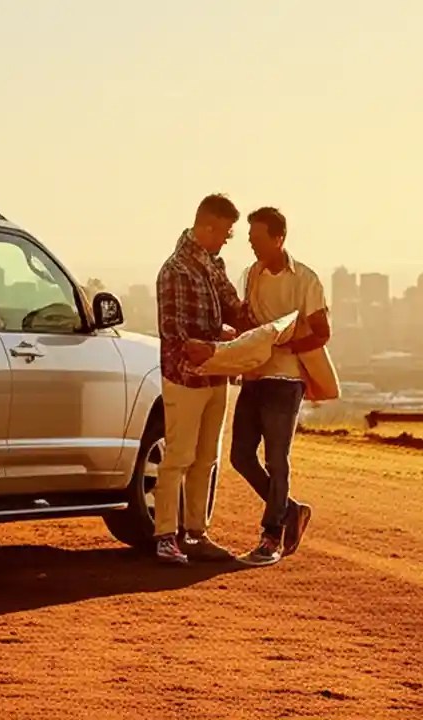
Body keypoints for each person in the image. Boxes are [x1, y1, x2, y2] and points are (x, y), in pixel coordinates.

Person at [190, 206, 331, 567]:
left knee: (276, 459)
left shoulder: (306, 280)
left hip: (285, 380)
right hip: (254, 375)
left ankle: (271, 536)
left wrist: (283, 345)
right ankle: (290, 510)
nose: (251, 244)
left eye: (257, 238)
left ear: (278, 238)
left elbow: (322, 332)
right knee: (240, 456)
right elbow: (248, 321)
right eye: (250, 238)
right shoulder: (252, 274)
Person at [153, 193, 257, 565]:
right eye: (226, 233)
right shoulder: (175, 270)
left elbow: (235, 309)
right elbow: (175, 332)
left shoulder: (213, 265)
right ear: (208, 227)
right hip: (185, 379)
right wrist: (218, 339)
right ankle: (165, 536)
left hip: (216, 375)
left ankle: (196, 533)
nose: (227, 240)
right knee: (178, 457)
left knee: (206, 458)